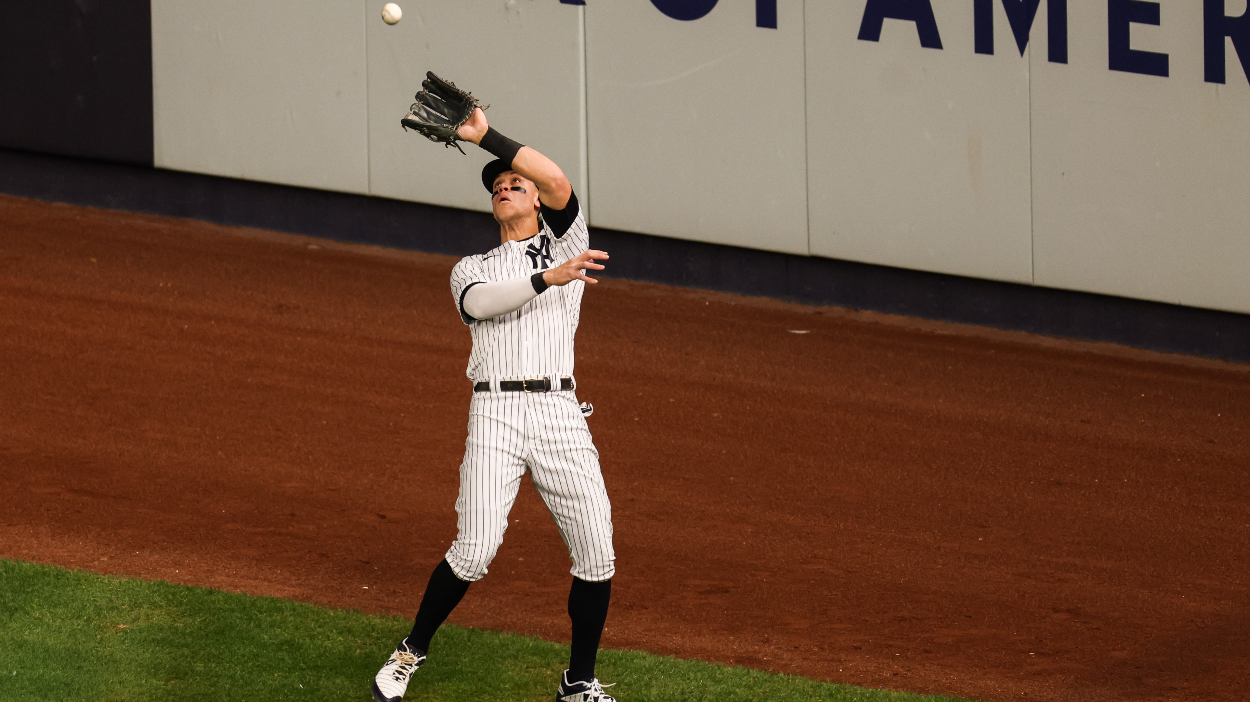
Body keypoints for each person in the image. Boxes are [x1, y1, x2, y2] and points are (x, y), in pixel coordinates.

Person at [371, 106, 618, 702]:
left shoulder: (569, 243)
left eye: (516, 182)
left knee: (598, 555)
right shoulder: (470, 268)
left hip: (561, 415)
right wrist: (546, 280)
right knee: (475, 550)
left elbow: (559, 180)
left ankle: (578, 683)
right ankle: (410, 652)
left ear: (537, 201)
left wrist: (488, 139)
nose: (506, 187)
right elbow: (482, 304)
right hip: (496, 415)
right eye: (497, 186)